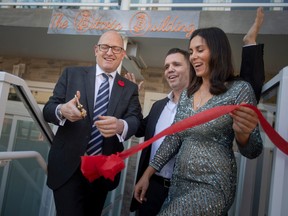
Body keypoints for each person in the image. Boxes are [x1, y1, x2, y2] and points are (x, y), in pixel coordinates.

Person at [130, 7, 265, 216]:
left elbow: (253, 150)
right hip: (179, 185)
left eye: (199, 50)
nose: (193, 57)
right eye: (191, 51)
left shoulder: (239, 90)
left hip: (213, 186)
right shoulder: (188, 94)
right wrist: (148, 174)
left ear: (217, 51)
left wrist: (243, 134)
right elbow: (174, 136)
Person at [43, 30, 143, 216]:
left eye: (116, 48)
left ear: (122, 54)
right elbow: (49, 109)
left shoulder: (129, 88)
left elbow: (135, 119)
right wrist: (62, 110)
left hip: (102, 171)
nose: (109, 52)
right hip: (68, 168)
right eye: (105, 47)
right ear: (95, 49)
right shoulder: (71, 74)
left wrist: (121, 125)